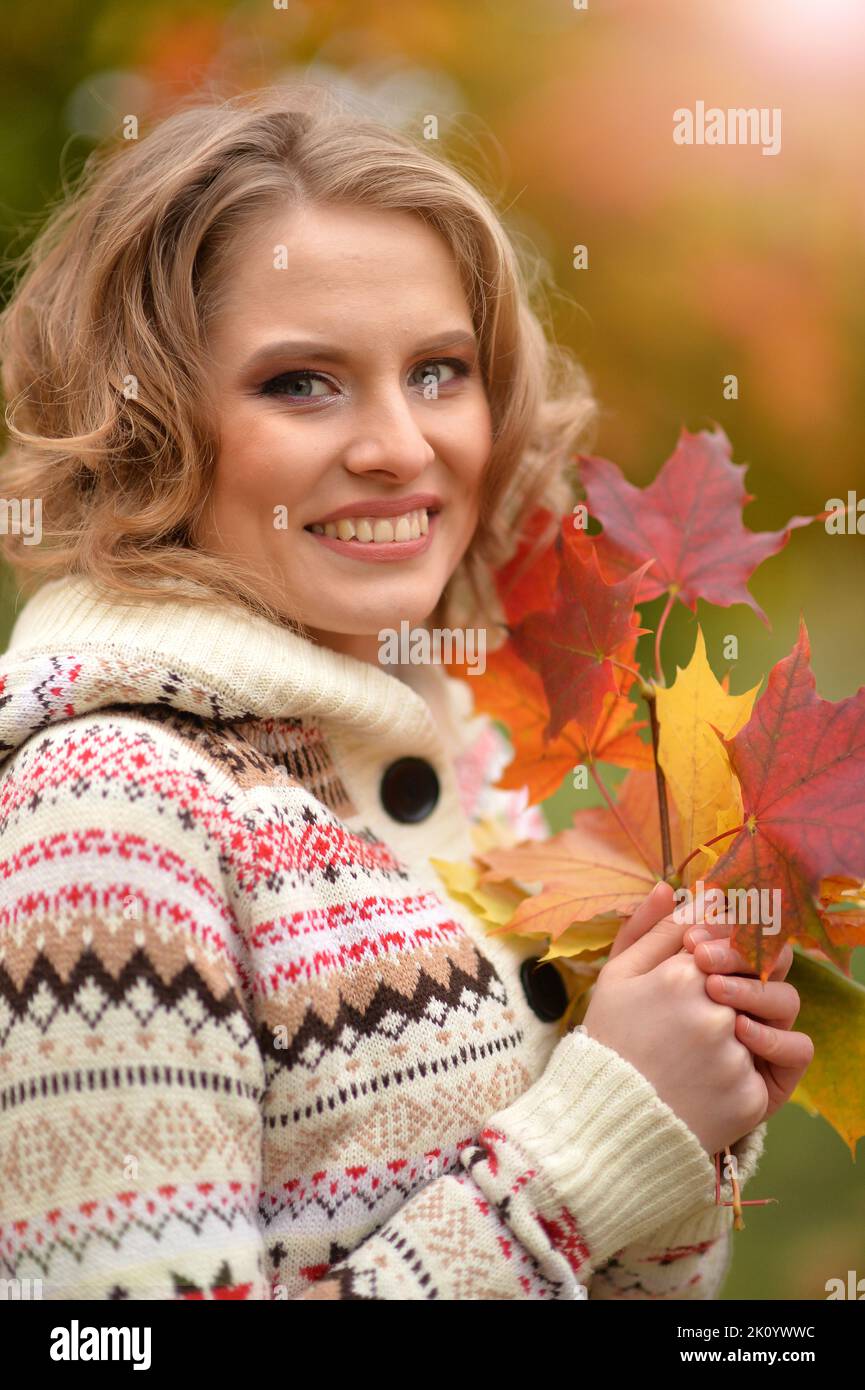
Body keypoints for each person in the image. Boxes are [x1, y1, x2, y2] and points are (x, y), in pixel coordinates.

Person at [0, 85, 812, 1301]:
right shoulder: (110, 817)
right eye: (301, 383)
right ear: (151, 426)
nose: (400, 444)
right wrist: (584, 1158)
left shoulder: (469, 762)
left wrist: (679, 1123)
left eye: (439, 371)